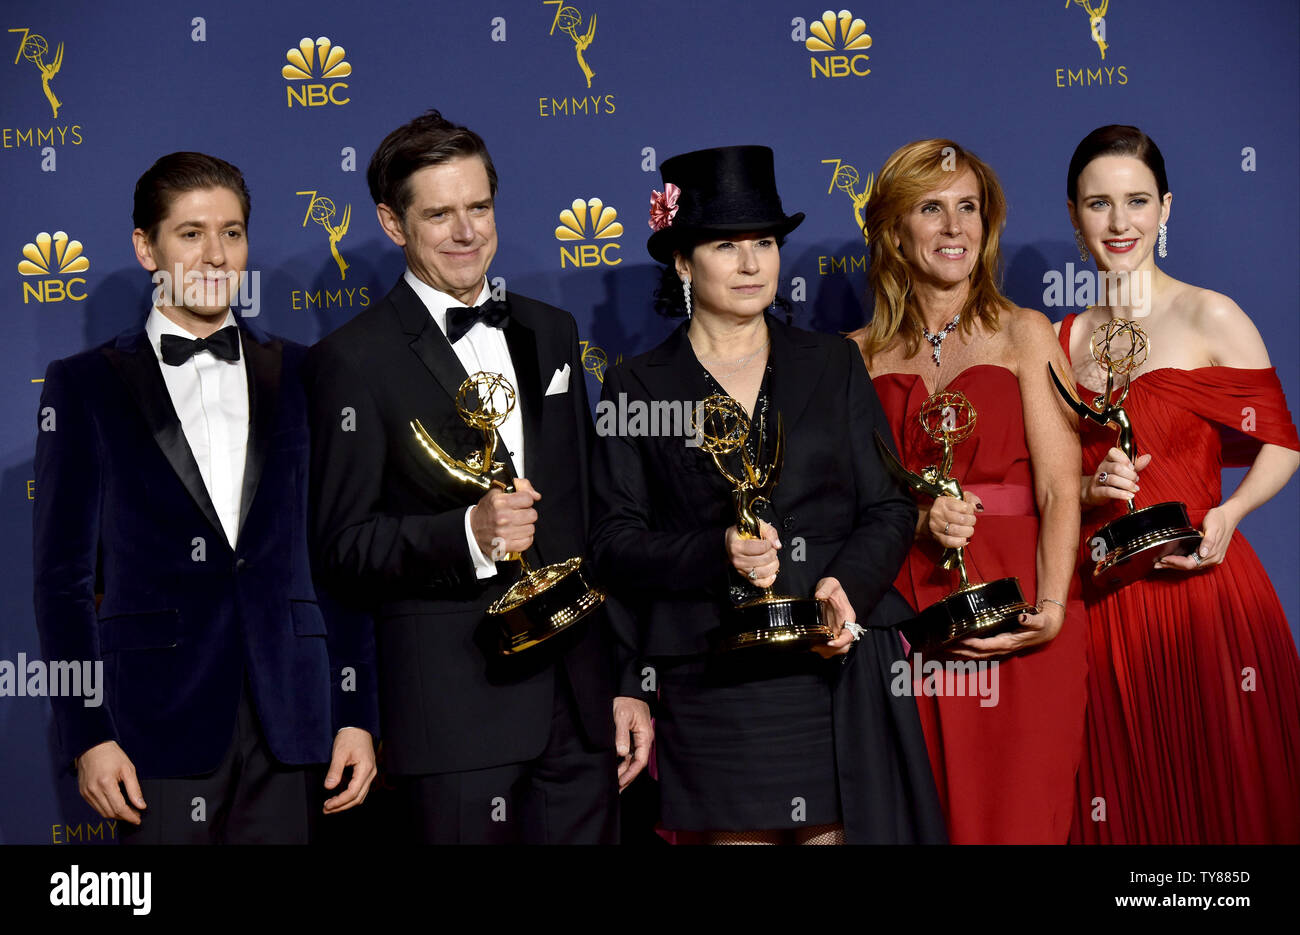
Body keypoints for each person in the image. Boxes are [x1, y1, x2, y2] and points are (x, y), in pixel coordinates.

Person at [304, 110, 652, 844]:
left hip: (579, 704)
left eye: (479, 207)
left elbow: (589, 513)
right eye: (438, 213)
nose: (466, 231)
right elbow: (342, 546)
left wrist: (623, 676)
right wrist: (468, 534)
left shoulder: (550, 329)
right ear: (392, 225)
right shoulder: (351, 359)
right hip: (455, 711)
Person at [590, 145, 946, 844]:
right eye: (727, 245)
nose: (753, 263)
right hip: (714, 676)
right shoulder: (636, 386)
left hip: (831, 665)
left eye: (764, 243)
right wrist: (716, 550)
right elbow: (613, 544)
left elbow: (888, 504)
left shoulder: (833, 361)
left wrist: (849, 584)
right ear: (685, 262)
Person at [33, 152, 378, 844]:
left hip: (292, 719)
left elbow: (337, 559)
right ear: (146, 246)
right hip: (154, 724)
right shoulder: (84, 385)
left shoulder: (308, 374)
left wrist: (356, 712)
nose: (215, 254)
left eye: (232, 232)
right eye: (190, 233)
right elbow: (62, 580)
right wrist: (87, 731)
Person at [1057, 124, 1300, 844]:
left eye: (1137, 201)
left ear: (1167, 207)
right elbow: (1045, 480)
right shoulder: (1061, 338)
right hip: (1104, 607)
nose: (1120, 221)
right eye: (1099, 203)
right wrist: (1088, 481)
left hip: (1203, 589)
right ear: (1074, 216)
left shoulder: (1209, 313)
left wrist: (1232, 511)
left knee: (1221, 805)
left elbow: (1282, 444)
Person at [851, 139, 1086, 844]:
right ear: (894, 230)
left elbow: (1059, 485)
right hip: (906, 618)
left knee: (1016, 819)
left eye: (969, 208)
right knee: (924, 819)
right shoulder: (852, 355)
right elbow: (847, 503)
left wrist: (1050, 607)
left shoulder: (1025, 331)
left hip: (1023, 614)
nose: (955, 227)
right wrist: (918, 519)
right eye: (932, 208)